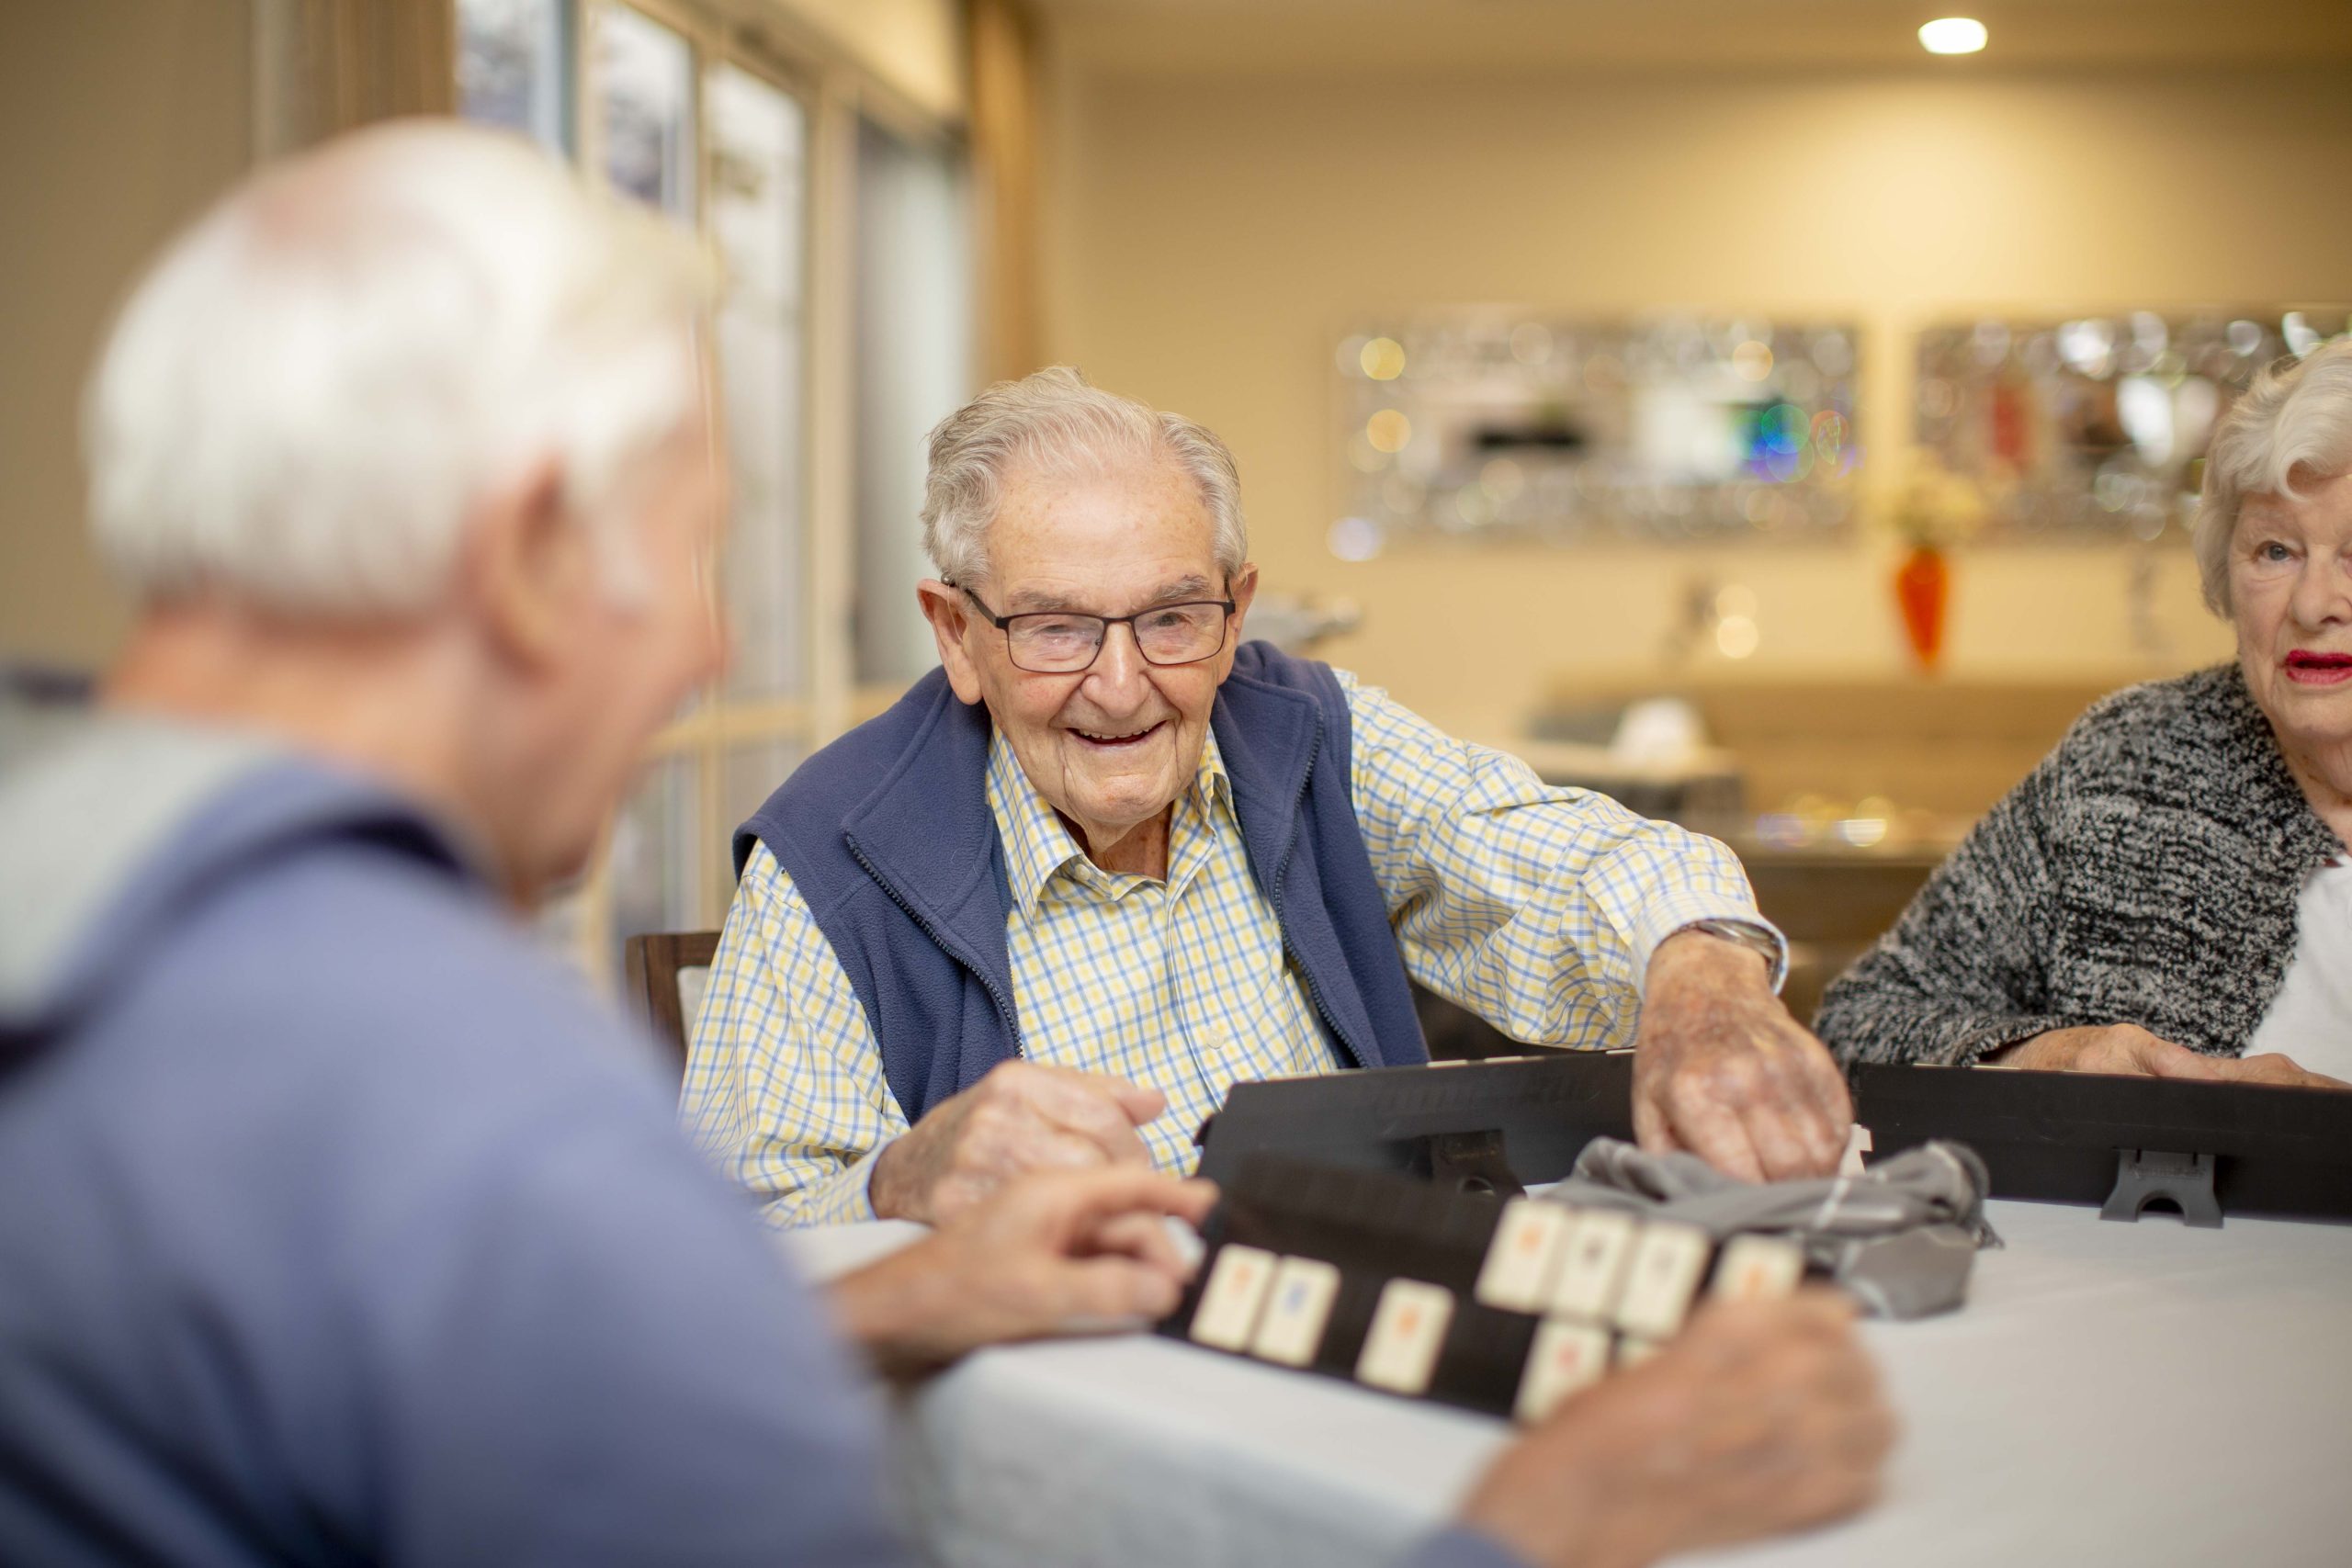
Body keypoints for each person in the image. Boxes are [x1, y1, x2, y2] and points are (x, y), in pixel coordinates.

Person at [0, 121, 1893, 1568]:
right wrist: (1540, 1531)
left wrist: (908, 1289)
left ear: (1230, 611)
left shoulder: (88, 899)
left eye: (1172, 617)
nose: (709, 646)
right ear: (527, 557)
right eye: (691, 553)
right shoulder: (487, 1124)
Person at [684, 370, 1854, 1228]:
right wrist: (900, 1180)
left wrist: (1701, 975)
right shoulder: (834, 857)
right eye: (1054, 628)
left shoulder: (1299, 731)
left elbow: (1556, 857)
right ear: (956, 634)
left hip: (1361, 1319)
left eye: (1171, 617)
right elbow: (733, 1245)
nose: (1121, 686)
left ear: (1236, 612)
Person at [1817, 340, 2352, 1088]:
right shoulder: (2129, 759)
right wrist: (2045, 1056)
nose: (2314, 603)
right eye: (2275, 551)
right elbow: (1859, 1022)